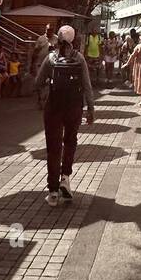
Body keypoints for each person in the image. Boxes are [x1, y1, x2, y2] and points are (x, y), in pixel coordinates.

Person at [35, 25, 94, 206]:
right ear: (74, 40)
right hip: (74, 107)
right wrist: (90, 109)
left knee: (53, 148)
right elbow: (87, 85)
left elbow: (37, 82)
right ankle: (65, 178)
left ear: (58, 40)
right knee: (70, 141)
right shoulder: (79, 58)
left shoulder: (51, 58)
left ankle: (52, 191)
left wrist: (48, 87)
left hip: (53, 107)